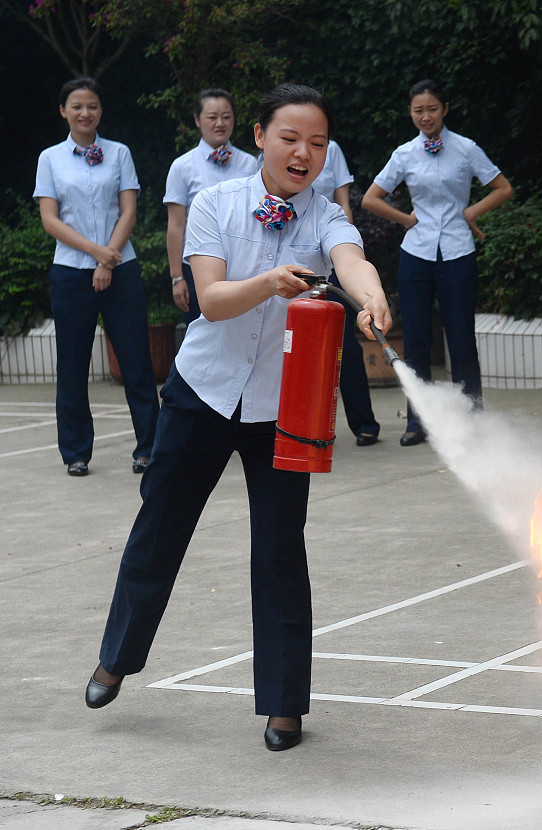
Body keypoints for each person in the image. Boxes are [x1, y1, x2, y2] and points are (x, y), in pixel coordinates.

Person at [84, 84, 392, 752]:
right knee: (159, 526)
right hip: (203, 392)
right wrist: (272, 281)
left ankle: (285, 708)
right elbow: (213, 299)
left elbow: (352, 261)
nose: (303, 153)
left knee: (281, 550)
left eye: (317, 143)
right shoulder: (214, 203)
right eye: (290, 138)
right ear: (259, 136)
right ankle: (118, 656)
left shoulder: (325, 219)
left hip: (283, 408)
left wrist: (371, 302)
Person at [362, 79, 513, 446]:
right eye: (418, 110)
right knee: (414, 340)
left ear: (445, 108)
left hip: (458, 253)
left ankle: (471, 419)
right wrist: (405, 220)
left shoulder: (465, 148)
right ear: (410, 113)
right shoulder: (404, 154)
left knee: (461, 338)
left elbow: (503, 187)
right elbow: (371, 198)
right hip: (417, 254)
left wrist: (470, 212)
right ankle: (419, 422)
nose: (425, 116)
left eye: (432, 108)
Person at [34, 77, 160, 477]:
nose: (84, 113)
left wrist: (108, 263)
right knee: (71, 365)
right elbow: (50, 220)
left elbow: (129, 211)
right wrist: (94, 254)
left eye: (91, 106)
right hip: (71, 272)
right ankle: (75, 453)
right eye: (76, 106)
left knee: (137, 361)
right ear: (63, 112)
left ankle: (149, 448)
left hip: (121, 269)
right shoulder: (50, 158)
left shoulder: (119, 153)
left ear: (100, 111)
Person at [164, 88, 259, 326]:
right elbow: (176, 225)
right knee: (201, 334)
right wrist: (177, 278)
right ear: (197, 120)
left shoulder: (250, 162)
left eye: (226, 117)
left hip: (242, 267)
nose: (220, 123)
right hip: (197, 269)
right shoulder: (182, 166)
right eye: (212, 117)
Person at [312, 138, 382, 445]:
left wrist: (371, 295)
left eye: (315, 141)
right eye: (288, 138)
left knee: (346, 347)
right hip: (285, 276)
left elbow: (344, 204)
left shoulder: (333, 150)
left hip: (330, 260)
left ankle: (363, 423)